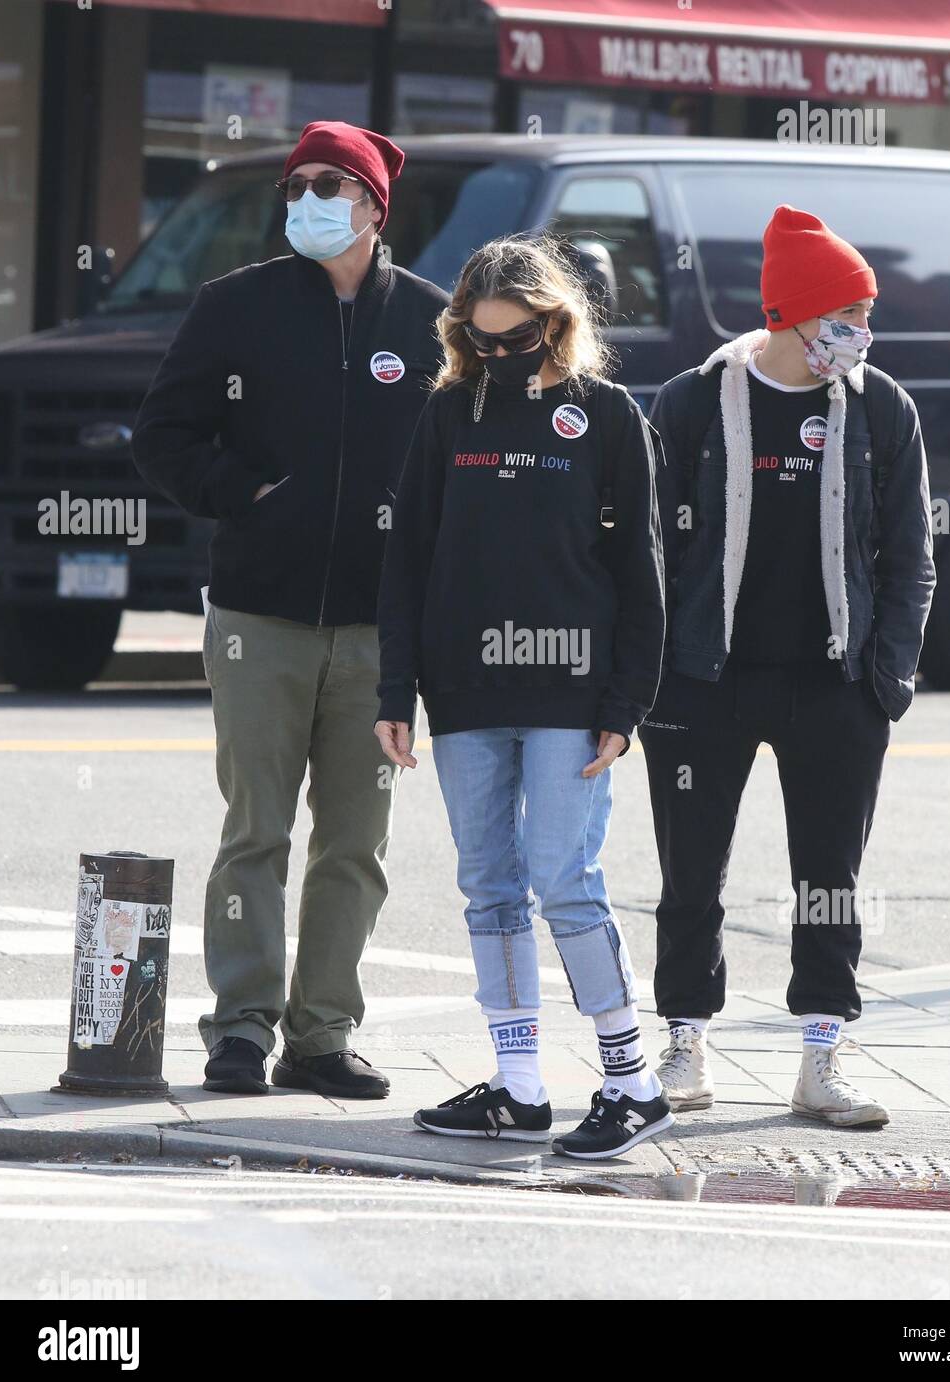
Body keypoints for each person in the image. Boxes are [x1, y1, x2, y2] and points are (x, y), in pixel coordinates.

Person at [133, 122, 449, 1097]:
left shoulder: (432, 324)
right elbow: (162, 435)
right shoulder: (237, 307)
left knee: (355, 843)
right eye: (296, 184)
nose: (305, 199)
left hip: (379, 628)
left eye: (328, 184)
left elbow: (458, 470)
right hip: (257, 614)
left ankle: (322, 1035)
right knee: (255, 830)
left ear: (372, 206)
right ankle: (239, 1028)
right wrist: (243, 494)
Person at [374, 237, 672, 1159]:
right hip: (463, 689)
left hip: (573, 691)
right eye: (482, 338)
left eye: (519, 338)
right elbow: (407, 559)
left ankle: (632, 1080)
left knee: (564, 881)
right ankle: (521, 1086)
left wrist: (626, 704)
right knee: (488, 888)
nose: (500, 355)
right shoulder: (448, 415)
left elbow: (642, 570)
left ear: (558, 322)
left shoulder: (611, 415)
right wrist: (396, 688)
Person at [643, 205, 935, 1127]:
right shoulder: (692, 402)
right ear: (792, 316)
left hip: (835, 684)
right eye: (844, 316)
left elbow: (911, 557)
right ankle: (686, 1040)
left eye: (865, 316)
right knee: (692, 875)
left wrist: (885, 683)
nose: (859, 335)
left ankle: (821, 1056)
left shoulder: (881, 408)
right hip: (704, 678)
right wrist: (648, 674)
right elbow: (645, 550)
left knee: (828, 880)